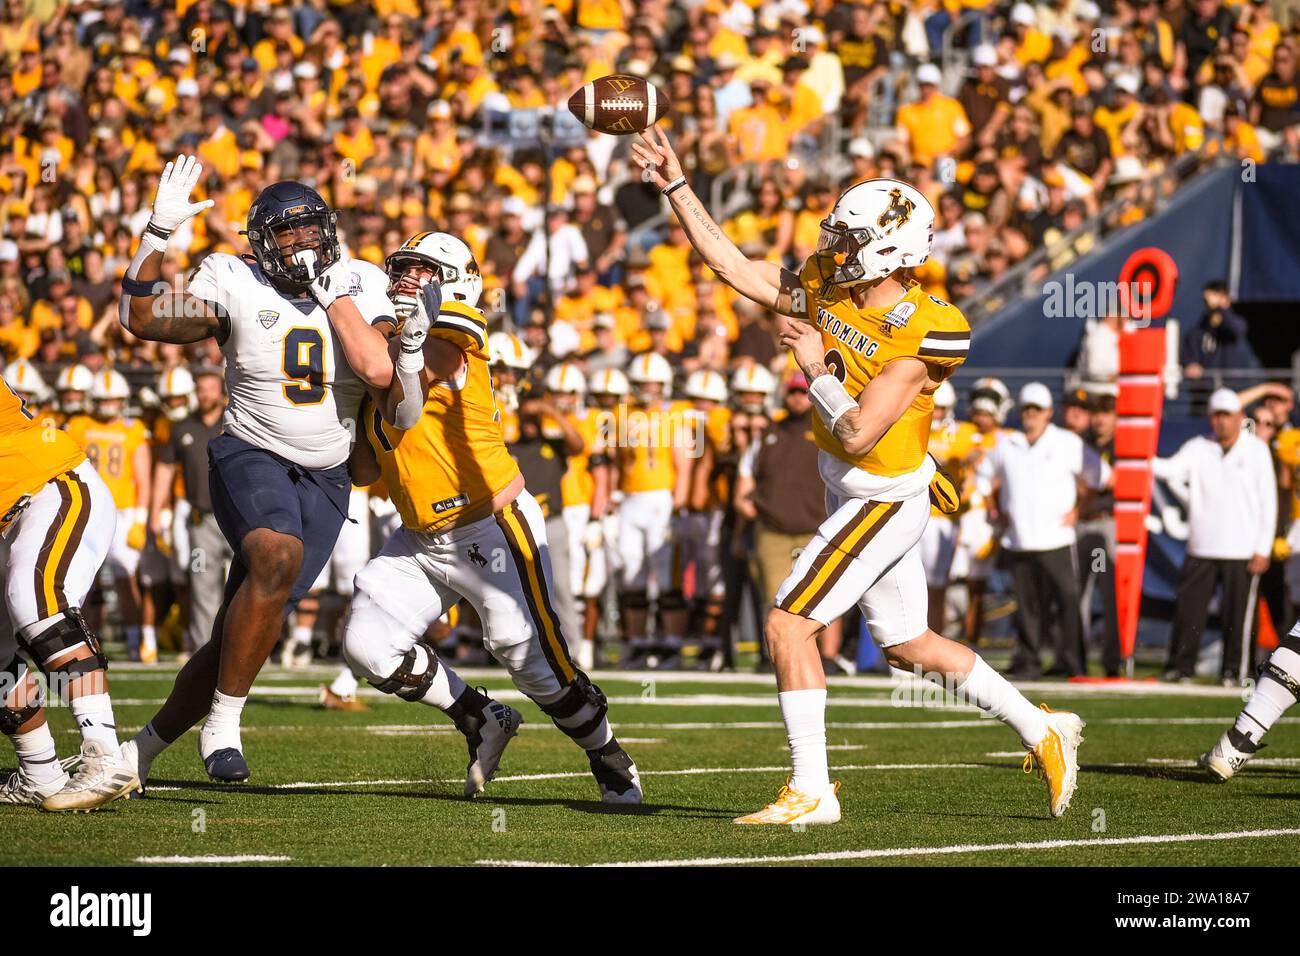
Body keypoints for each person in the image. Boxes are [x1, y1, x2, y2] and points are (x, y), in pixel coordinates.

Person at [633, 124, 1084, 824]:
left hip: (883, 494)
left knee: (786, 627)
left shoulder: (924, 326)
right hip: (849, 483)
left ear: (890, 251)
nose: (830, 251)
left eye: (848, 240)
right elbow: (734, 269)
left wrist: (814, 366)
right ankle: (1042, 728)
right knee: (909, 646)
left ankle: (812, 791)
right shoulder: (829, 286)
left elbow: (858, 428)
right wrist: (676, 186)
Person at [116, 157, 396, 785]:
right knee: (275, 558)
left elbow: (379, 368)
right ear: (263, 245)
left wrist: (336, 299)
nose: (300, 244)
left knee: (239, 635)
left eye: (308, 230)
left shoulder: (360, 279)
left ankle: (136, 755)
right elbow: (141, 319)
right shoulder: (233, 277)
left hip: (328, 475)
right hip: (252, 451)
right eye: (285, 233)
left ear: (329, 230)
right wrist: (156, 236)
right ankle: (224, 722)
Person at [338, 230, 642, 803]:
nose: (405, 279)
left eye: (421, 270)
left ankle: (607, 753)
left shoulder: (457, 330)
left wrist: (343, 310)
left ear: (456, 280)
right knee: (366, 643)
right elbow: (361, 470)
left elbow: (406, 373)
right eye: (400, 268)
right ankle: (480, 716)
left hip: (491, 524)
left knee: (531, 660)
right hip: (421, 539)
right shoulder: (385, 347)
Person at [0, 370, 138, 810]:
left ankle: (104, 754)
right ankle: (39, 771)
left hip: (51, 486)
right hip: (10, 516)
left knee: (36, 598)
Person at [979, 383, 1109, 678]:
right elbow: (985, 476)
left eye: (1036, 410)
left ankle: (1071, 662)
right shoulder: (1008, 444)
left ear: (1049, 413)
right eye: (1026, 409)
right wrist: (994, 509)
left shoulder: (1067, 442)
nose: (1031, 415)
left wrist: (1080, 508)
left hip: (1057, 539)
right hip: (1019, 539)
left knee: (1067, 601)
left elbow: (1100, 476)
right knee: (1026, 606)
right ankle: (1028, 661)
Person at [1154, 388, 1276, 684]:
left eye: (1227, 415)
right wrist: (1138, 457)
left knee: (1239, 617)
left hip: (1242, 549)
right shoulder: (1198, 447)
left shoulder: (1256, 450)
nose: (1221, 422)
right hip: (1203, 545)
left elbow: (1268, 501)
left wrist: (1263, 548)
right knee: (1188, 612)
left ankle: (1236, 671)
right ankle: (1180, 667)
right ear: (1210, 417)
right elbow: (1169, 469)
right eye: (1217, 415)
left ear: (1239, 417)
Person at [64, 368, 152, 662]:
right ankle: (84, 642)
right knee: (82, 581)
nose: (107, 405)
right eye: (103, 399)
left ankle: (133, 639)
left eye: (112, 400)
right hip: (86, 509)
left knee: (127, 579)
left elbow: (143, 476)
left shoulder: (133, 428)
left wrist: (140, 518)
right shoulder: (78, 424)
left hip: (122, 512)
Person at [149, 366, 230, 659]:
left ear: (220, 391)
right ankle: (204, 651)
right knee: (201, 583)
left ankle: (248, 649)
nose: (205, 393)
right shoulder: (182, 427)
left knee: (245, 586)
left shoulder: (236, 422)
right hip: (201, 519)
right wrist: (155, 512)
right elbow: (166, 469)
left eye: (210, 387)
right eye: (201, 388)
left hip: (237, 518)